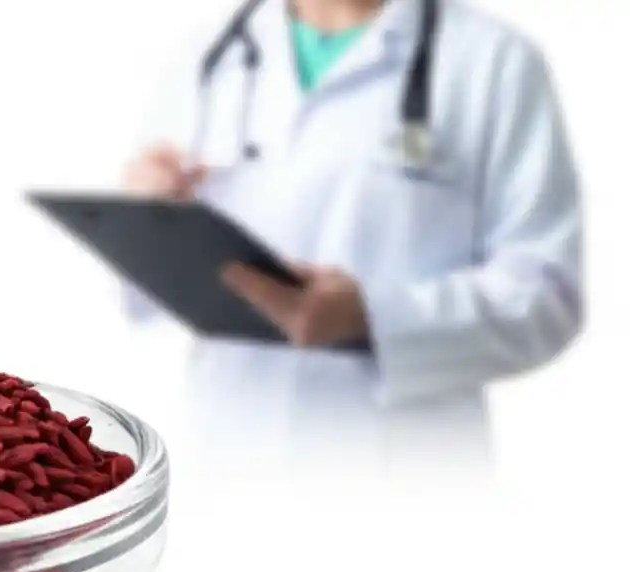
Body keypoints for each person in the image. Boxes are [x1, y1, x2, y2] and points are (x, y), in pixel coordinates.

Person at [124, 0, 583, 481]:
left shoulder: (492, 60)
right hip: (231, 452)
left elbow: (548, 296)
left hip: (408, 470)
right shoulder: (210, 54)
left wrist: (373, 317)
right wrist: (148, 218)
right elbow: (141, 299)